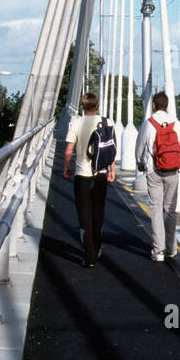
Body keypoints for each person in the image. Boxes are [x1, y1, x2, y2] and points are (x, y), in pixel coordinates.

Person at [135, 90, 180, 262]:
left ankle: (158, 251)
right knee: (170, 210)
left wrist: (141, 164)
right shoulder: (176, 123)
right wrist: (178, 163)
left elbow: (139, 149)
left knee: (156, 210)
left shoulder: (148, 123)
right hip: (173, 171)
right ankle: (172, 248)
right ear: (166, 106)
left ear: (153, 106)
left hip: (154, 172)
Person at [64, 92, 116, 267]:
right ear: (97, 105)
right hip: (100, 173)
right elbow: (110, 149)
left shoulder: (76, 123)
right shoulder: (107, 122)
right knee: (98, 211)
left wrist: (66, 167)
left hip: (82, 174)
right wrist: (111, 170)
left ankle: (90, 254)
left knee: (84, 213)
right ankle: (97, 246)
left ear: (83, 105)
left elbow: (69, 149)